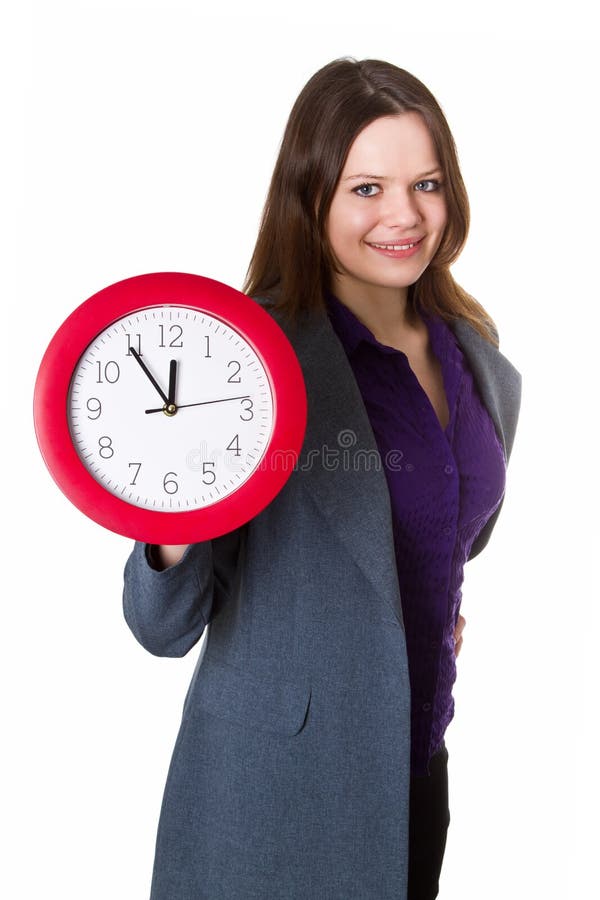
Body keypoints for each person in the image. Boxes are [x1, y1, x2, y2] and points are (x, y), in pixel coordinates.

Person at [122, 57, 522, 900]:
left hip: (418, 774)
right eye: (367, 189)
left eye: (428, 183)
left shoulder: (482, 363)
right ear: (312, 198)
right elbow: (161, 624)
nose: (406, 216)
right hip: (276, 794)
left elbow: (445, 536)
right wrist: (180, 507)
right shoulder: (249, 361)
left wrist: (422, 608)